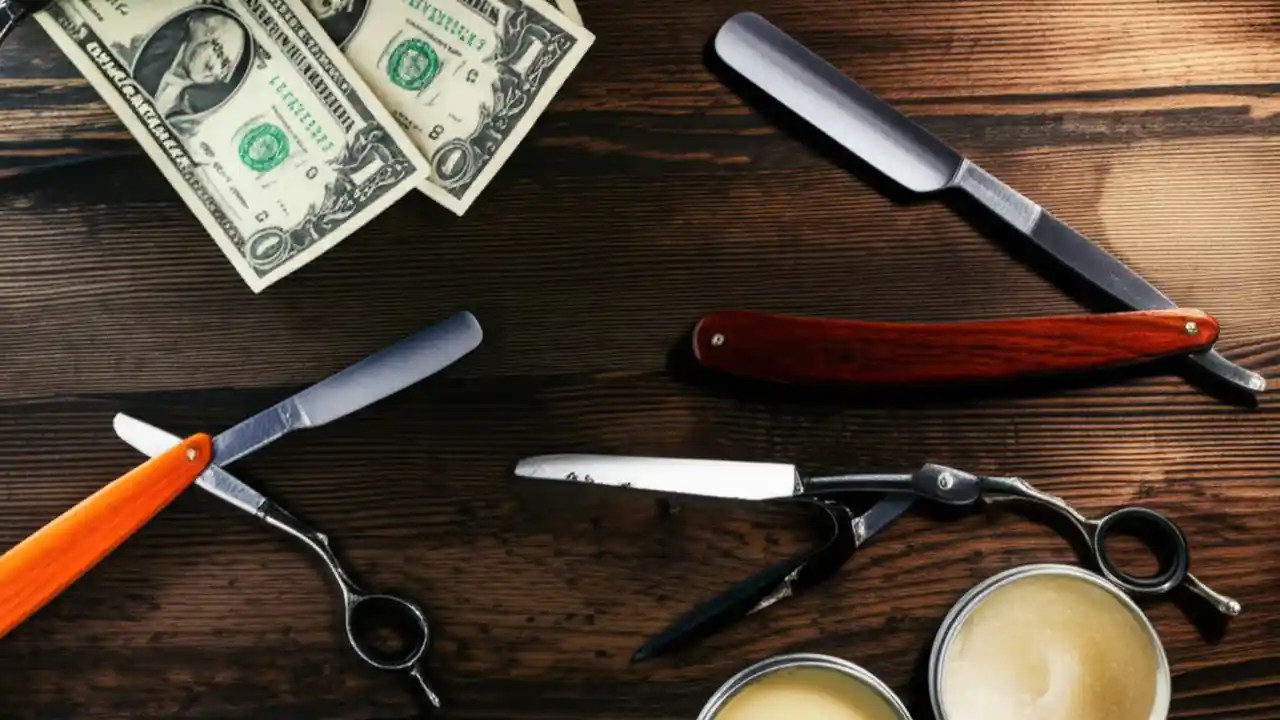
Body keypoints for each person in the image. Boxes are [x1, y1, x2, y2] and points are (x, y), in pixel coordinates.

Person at [134, 10, 249, 123]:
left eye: (224, 67)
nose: (216, 70)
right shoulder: (146, 53)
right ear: (199, 29)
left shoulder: (190, 117)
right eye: (219, 52)